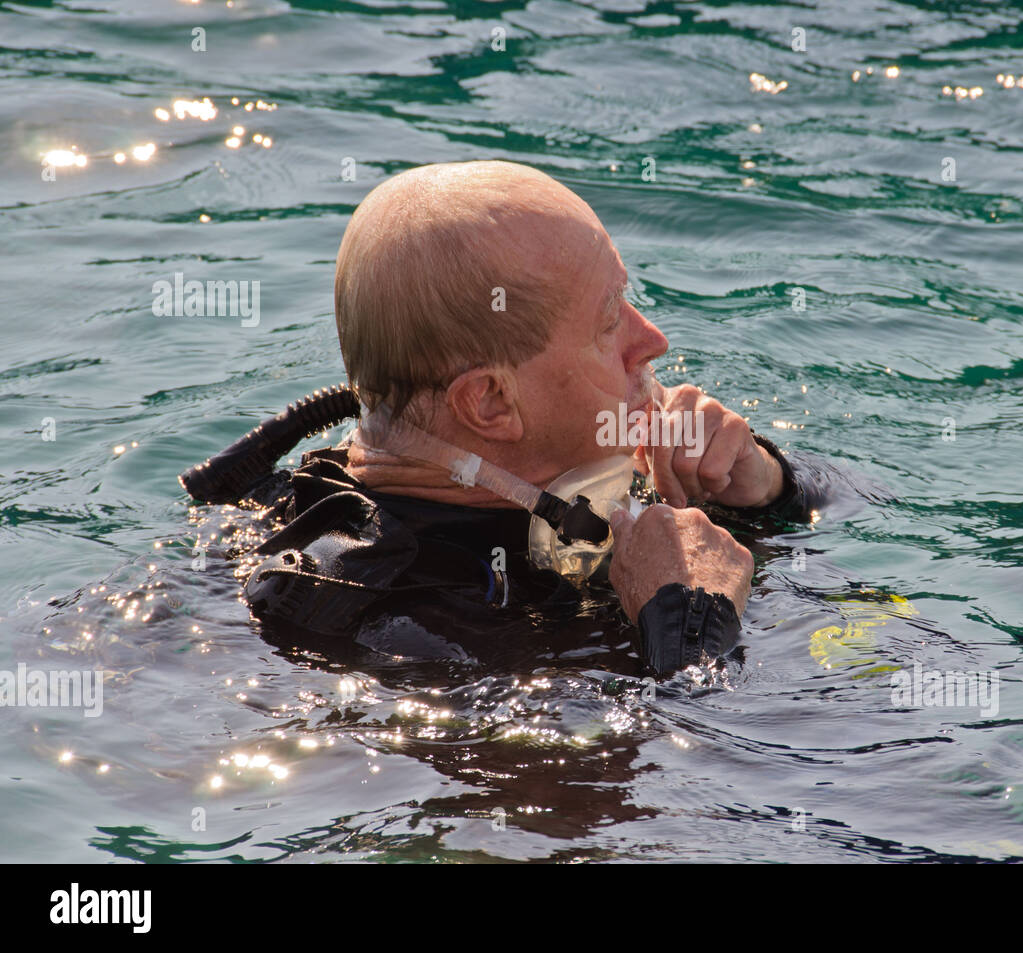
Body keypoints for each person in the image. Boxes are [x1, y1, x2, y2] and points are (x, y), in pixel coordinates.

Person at [225, 160, 821, 675]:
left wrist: (765, 485)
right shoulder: (396, 634)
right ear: (491, 403)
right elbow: (695, 781)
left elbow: (867, 505)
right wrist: (693, 629)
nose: (653, 340)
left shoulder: (571, 487)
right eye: (610, 319)